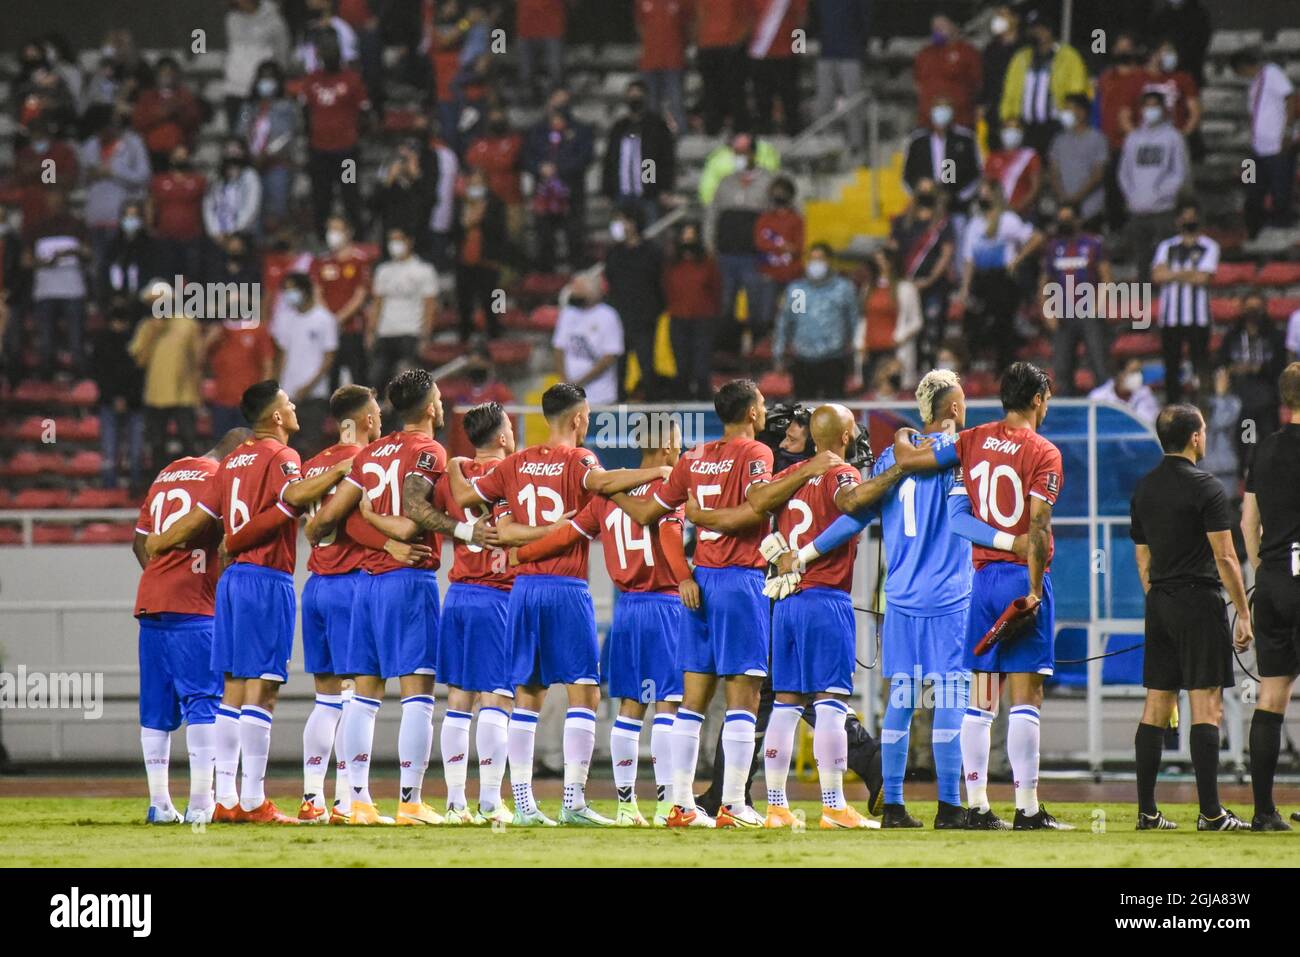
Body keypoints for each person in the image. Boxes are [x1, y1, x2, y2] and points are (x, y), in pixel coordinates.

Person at [783, 371, 1018, 828]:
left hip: (901, 602)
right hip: (949, 600)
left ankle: (893, 807)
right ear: (953, 410)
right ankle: (951, 807)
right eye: (963, 401)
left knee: (902, 701)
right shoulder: (959, 457)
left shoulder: (893, 456)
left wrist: (806, 552)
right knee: (951, 696)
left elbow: (855, 517)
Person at [611, 379, 840, 827]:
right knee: (745, 698)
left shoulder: (694, 457)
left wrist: (604, 488)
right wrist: (808, 469)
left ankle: (680, 805)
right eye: (763, 404)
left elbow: (644, 514)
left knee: (692, 703)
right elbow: (754, 510)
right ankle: (733, 805)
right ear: (753, 413)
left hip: (700, 584)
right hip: (739, 582)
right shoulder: (757, 454)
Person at [446, 382, 675, 825]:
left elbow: (465, 499)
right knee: (584, 693)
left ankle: (524, 804)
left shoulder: (515, 462)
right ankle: (573, 801)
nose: (587, 423)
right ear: (577, 419)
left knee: (527, 695)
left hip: (524, 590)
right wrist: (656, 474)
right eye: (586, 417)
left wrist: (455, 464)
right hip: (567, 588)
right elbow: (603, 483)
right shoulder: (580, 459)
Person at [145, 381, 352, 823]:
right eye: (289, 403)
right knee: (264, 688)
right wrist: (341, 469)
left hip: (231, 581)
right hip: (265, 578)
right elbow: (295, 497)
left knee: (233, 689)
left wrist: (163, 540)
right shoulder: (283, 456)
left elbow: (204, 517)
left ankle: (225, 798)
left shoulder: (231, 462)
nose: (295, 407)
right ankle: (254, 800)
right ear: (276, 416)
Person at [305, 369, 491, 824]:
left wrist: (373, 529)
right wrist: (443, 531)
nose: (444, 406)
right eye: (441, 399)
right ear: (430, 409)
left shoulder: (369, 453)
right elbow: (413, 519)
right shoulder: (429, 450)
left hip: (364, 585)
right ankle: (410, 801)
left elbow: (323, 522)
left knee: (362, 697)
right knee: (418, 697)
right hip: (407, 583)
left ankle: (358, 803)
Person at [892, 362, 1070, 830]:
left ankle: (976, 807)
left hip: (981, 582)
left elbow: (910, 460)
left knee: (981, 698)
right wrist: (1033, 588)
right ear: (1037, 399)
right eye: (1046, 399)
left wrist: (904, 434)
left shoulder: (971, 442)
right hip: (1019, 577)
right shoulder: (1045, 451)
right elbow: (1037, 525)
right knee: (1027, 696)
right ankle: (1029, 810)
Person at [513, 419, 692, 826]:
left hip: (627, 611)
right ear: (665, 450)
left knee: (629, 706)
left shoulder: (606, 499)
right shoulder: (669, 492)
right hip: (664, 605)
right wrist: (685, 576)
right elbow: (666, 535)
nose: (680, 453)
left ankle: (627, 807)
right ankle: (667, 806)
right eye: (678, 445)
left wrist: (523, 555)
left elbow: (565, 537)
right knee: (667, 704)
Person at [753, 405, 880, 829]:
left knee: (785, 705)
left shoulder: (794, 475)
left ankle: (775, 807)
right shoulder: (843, 473)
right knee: (830, 704)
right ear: (844, 437)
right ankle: (833, 806)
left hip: (784, 601)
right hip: (825, 597)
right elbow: (849, 504)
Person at [1129, 403, 1252, 831]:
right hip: (1199, 602)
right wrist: (1243, 612)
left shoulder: (1143, 489)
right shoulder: (1207, 487)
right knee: (1207, 705)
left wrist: (1160, 599)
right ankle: (1211, 814)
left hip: (1159, 600)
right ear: (1196, 438)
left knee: (1156, 705)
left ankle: (1146, 813)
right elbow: (1226, 557)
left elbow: (1142, 559)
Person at [130, 426, 252, 824]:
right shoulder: (222, 477)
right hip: (194, 606)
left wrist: (163, 574)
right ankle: (201, 802)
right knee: (204, 701)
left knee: (156, 707)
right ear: (239, 452)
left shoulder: (170, 471)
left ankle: (159, 803)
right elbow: (226, 538)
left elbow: (139, 542)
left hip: (151, 602)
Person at [1240, 363, 1300, 830]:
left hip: (1275, 581)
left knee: (1271, 692)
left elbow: (1247, 524)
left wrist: (1265, 570)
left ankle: (1263, 811)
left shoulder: (1263, 450)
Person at [957, 181, 1042, 371]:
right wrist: (965, 287)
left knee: (1003, 325)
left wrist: (1017, 259)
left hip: (1002, 279)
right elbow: (969, 258)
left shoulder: (1008, 220)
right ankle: (974, 366)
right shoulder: (975, 224)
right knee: (973, 323)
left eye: (985, 194)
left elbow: (1036, 238)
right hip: (981, 279)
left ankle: (1004, 368)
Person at [710, 135, 777, 346]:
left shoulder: (768, 182)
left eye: (743, 152)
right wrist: (710, 243)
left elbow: (776, 219)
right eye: (736, 153)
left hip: (753, 255)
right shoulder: (726, 182)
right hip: (727, 253)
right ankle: (727, 350)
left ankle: (757, 348)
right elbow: (712, 214)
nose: (738, 157)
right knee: (725, 306)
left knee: (755, 306)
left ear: (753, 154)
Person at [130, 281, 204, 471]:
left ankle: (194, 482)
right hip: (155, 394)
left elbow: (197, 360)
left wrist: (197, 391)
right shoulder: (146, 327)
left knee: (188, 440)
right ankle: (159, 484)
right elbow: (139, 360)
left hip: (184, 393)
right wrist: (153, 332)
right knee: (156, 443)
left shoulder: (187, 323)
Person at [300, 36, 369, 238]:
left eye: (333, 52)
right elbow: (304, 110)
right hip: (320, 152)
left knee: (350, 193)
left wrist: (352, 135)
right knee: (322, 196)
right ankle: (323, 236)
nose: (329, 56)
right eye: (325, 52)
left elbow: (364, 111)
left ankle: (357, 235)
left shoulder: (352, 79)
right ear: (320, 55)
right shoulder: (312, 80)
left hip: (347, 152)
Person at [1119, 93, 1189, 287]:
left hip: (1163, 210)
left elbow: (1179, 172)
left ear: (1163, 109)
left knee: (1165, 257)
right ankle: (1144, 302)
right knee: (1141, 258)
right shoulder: (1133, 138)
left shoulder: (1173, 137)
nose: (1151, 110)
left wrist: (1161, 195)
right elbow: (1124, 172)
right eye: (1147, 106)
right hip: (1137, 209)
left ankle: (1165, 297)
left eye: (1155, 106)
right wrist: (1131, 195)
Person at [773, 244, 859, 399]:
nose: (815, 263)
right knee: (803, 411)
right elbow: (787, 322)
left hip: (834, 358)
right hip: (803, 359)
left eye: (820, 259)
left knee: (835, 411)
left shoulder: (843, 288)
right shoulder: (798, 290)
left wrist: (855, 353)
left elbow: (853, 321)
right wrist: (779, 353)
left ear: (829, 261)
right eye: (812, 259)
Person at [886, 179, 956, 371]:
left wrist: (930, 279)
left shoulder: (941, 224)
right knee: (909, 328)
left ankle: (932, 370)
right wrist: (902, 281)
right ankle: (910, 371)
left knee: (932, 329)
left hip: (934, 286)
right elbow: (891, 251)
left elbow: (946, 253)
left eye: (929, 191)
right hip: (907, 286)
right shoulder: (902, 222)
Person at [997, 9, 1088, 155]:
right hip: (1026, 127)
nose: (1038, 33)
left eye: (1041, 28)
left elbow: (1077, 92)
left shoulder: (1068, 57)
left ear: (1050, 30)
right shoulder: (1021, 58)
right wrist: (1008, 119)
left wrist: (1070, 116)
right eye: (1034, 29)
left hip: (1055, 125)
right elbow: (1010, 93)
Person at [1041, 203, 1110, 394]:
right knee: (1062, 369)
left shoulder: (1093, 244)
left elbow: (1106, 277)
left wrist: (1098, 307)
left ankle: (1104, 406)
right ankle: (1067, 413)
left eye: (1068, 219)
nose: (1064, 223)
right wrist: (1048, 312)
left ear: (1078, 220)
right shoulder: (1053, 247)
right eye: (1061, 219)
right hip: (1063, 314)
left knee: (1098, 364)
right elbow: (1045, 281)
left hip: (1088, 311)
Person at [1152, 200, 1217, 402]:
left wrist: (1171, 273)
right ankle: (1173, 413)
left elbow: (1203, 278)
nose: (1188, 220)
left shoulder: (1209, 246)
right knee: (1171, 369)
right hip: (1170, 319)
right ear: (1178, 220)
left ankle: (1202, 410)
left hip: (1199, 318)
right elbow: (1157, 276)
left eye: (1192, 216)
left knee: (1200, 366)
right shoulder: (1166, 246)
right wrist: (1188, 273)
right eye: (1185, 216)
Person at [1231, 48, 1297, 236]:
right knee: (1250, 191)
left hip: (1277, 149)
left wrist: (1287, 131)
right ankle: (1253, 233)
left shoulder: (1272, 73)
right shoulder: (1254, 85)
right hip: (1256, 151)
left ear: (1243, 67)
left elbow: (1290, 98)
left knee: (1280, 195)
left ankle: (1281, 237)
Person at [271, 273, 338, 458]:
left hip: (314, 396)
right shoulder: (285, 319)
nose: (289, 294)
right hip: (288, 395)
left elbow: (328, 359)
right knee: (285, 449)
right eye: (286, 291)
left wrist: (308, 386)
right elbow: (281, 356)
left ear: (306, 291)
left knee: (312, 447)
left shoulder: (324, 319)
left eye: (293, 289)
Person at [1219, 291, 1285, 474]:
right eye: (1249, 308)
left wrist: (1257, 369)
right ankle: (1244, 472)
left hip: (1267, 395)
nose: (1252, 313)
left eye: (1256, 308)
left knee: (1269, 440)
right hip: (1241, 397)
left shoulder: (1275, 337)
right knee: (1246, 439)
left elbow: (1280, 366)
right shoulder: (1232, 336)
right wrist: (1235, 370)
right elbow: (1222, 364)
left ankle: (1271, 473)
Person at [604, 204, 665, 400]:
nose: (619, 225)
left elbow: (660, 283)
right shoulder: (614, 253)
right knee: (618, 369)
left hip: (644, 320)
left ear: (633, 223)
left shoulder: (652, 252)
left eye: (623, 220)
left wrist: (653, 311)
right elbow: (610, 280)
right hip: (619, 319)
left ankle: (653, 412)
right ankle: (618, 411)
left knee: (647, 367)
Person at [27, 187, 89, 377]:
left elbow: (88, 253)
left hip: (72, 290)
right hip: (46, 291)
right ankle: (46, 381)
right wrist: (45, 262)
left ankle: (79, 380)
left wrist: (71, 252)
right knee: (46, 341)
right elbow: (26, 260)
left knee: (75, 340)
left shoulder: (77, 226)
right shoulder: (37, 228)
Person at [368, 227, 437, 390]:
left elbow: (429, 306)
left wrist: (425, 336)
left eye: (399, 240)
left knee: (406, 384)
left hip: (410, 333)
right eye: (392, 240)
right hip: (385, 333)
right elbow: (377, 303)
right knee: (377, 380)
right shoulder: (383, 271)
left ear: (409, 242)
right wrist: (371, 331)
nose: (394, 244)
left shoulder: (423, 270)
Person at [601, 80, 677, 225]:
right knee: (621, 235)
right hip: (621, 191)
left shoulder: (656, 125)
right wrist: (607, 190)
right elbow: (609, 160)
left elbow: (666, 159)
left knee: (650, 233)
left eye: (638, 95)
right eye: (631, 95)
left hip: (648, 191)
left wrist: (665, 188)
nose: (634, 99)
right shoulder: (619, 127)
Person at [237, 60, 300, 235]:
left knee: (276, 213)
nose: (266, 83)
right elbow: (240, 133)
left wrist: (266, 155)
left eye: (270, 78)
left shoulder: (286, 107)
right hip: (251, 166)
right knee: (252, 213)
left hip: (277, 166)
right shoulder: (248, 108)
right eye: (263, 78)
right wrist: (249, 156)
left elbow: (286, 136)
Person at [311, 215, 373, 390]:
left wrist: (337, 319)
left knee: (358, 378)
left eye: (337, 229)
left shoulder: (360, 261)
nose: (333, 234)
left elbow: (360, 296)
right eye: (330, 229)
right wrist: (328, 320)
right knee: (331, 377)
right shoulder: (321, 262)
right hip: (327, 331)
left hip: (352, 328)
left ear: (348, 233)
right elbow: (317, 293)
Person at [664, 221, 721, 401]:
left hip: (703, 320)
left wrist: (712, 314)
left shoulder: (707, 263)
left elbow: (716, 290)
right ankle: (684, 406)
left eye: (691, 235)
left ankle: (705, 405)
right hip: (678, 319)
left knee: (701, 368)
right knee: (682, 367)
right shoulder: (671, 265)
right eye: (684, 235)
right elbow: (665, 289)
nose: (688, 239)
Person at [92, 301, 146, 490]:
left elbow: (140, 374)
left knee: (135, 451)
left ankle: (135, 486)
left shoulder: (137, 340)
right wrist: (116, 397)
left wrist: (124, 398)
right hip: (111, 402)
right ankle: (109, 488)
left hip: (133, 403)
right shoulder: (102, 342)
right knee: (109, 450)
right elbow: (99, 373)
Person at [551, 274, 624, 407]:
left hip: (601, 396)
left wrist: (579, 383)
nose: (574, 294)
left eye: (579, 291)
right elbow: (558, 348)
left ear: (592, 293)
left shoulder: (608, 316)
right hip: (571, 399)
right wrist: (566, 382)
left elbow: (610, 356)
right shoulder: (568, 314)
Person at [453, 169, 508, 341]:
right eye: (472, 183)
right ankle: (464, 337)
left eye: (478, 183)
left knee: (494, 302)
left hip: (489, 262)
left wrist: (479, 219)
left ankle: (496, 335)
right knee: (464, 303)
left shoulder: (496, 203)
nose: (475, 186)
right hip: (464, 261)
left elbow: (501, 233)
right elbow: (453, 232)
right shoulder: (460, 204)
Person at [902, 96, 981, 212]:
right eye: (939, 107)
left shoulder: (965, 139)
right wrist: (920, 194)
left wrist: (957, 197)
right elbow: (907, 175)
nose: (942, 111)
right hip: (924, 208)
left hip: (956, 209)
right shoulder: (918, 141)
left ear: (952, 112)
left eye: (946, 107)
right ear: (932, 111)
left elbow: (976, 174)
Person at [223, 0, 291, 130]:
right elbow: (233, 49)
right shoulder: (231, 19)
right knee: (237, 138)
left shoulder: (274, 21)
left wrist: (276, 80)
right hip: (234, 88)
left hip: (262, 89)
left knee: (261, 135)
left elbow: (282, 53)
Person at [813, 0, 869, 151]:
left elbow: (865, 21)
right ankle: (825, 143)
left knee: (854, 102)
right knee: (824, 101)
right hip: (826, 54)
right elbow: (814, 20)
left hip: (850, 55)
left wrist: (861, 47)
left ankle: (856, 144)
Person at [130, 56, 202, 173]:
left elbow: (193, 121)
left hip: (178, 152)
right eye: (163, 73)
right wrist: (160, 114)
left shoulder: (185, 96)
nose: (167, 76)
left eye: (170, 73)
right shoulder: (147, 97)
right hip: (151, 154)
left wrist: (177, 111)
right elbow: (138, 122)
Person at [914, 12, 982, 131]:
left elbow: (977, 84)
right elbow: (917, 83)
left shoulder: (967, 52)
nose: (937, 30)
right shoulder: (925, 54)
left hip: (960, 120)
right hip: (928, 122)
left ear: (954, 26)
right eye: (934, 27)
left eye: (941, 27)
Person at [748, 0, 807, 136]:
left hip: (785, 53)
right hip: (762, 53)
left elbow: (801, 20)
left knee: (789, 98)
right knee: (763, 99)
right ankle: (765, 132)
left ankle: (792, 131)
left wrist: (799, 50)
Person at [1048, 94, 1108, 229]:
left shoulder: (1097, 139)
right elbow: (1053, 171)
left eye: (1069, 109)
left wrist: (1076, 198)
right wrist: (1063, 197)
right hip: (1064, 208)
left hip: (1091, 209)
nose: (1065, 113)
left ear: (1082, 112)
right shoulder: (1059, 140)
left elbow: (1098, 173)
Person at [148, 145, 206, 285]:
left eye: (183, 155)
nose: (180, 158)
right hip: (166, 237)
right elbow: (150, 204)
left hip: (191, 238)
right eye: (177, 155)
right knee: (166, 279)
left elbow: (206, 206)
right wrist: (150, 226)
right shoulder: (159, 181)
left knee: (191, 280)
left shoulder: (198, 181)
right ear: (171, 158)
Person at [695, 0, 752, 135]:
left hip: (714, 44)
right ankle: (733, 126)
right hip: (722, 44)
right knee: (729, 89)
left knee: (716, 89)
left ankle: (717, 126)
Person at [635, 0, 692, 133]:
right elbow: (639, 24)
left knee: (676, 101)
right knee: (651, 103)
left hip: (673, 60)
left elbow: (689, 23)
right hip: (649, 61)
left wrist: (682, 46)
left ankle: (681, 135)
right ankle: (653, 136)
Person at [203, 140, 262, 252]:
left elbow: (251, 207)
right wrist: (214, 230)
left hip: (241, 233)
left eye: (236, 150)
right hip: (218, 234)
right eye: (230, 150)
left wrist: (234, 231)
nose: (233, 153)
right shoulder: (216, 178)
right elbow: (208, 205)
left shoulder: (250, 177)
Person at [979, 5, 1022, 147]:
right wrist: (982, 104)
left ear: (1015, 19)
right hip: (995, 112)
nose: (999, 19)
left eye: (1004, 15)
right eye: (998, 15)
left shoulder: (1025, 48)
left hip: (1018, 112)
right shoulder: (991, 49)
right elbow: (985, 79)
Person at [982, 117, 1042, 217]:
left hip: (1023, 214)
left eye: (1016, 128)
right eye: (1008, 128)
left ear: (1022, 132)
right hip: (997, 215)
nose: (1012, 131)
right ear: (1001, 132)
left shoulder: (1030, 156)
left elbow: (1035, 188)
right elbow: (986, 186)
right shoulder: (992, 157)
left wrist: (1017, 208)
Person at [1089, 358, 1159, 427]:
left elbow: (1149, 423)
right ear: (1119, 374)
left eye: (1140, 372)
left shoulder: (1145, 394)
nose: (1138, 376)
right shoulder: (1097, 397)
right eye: (1133, 372)